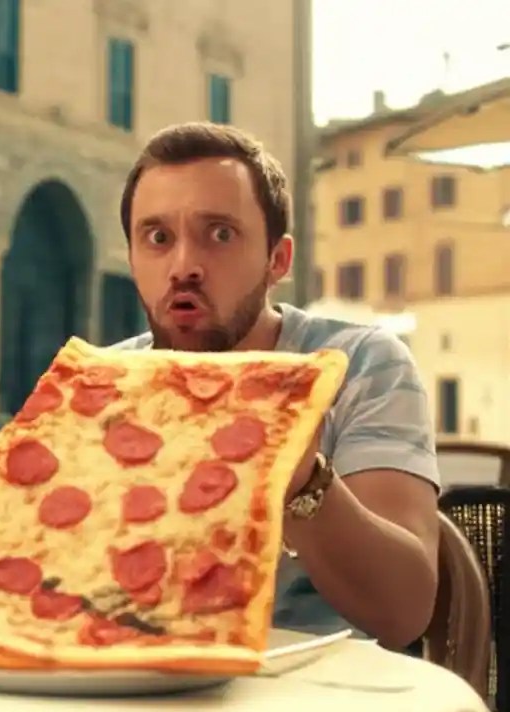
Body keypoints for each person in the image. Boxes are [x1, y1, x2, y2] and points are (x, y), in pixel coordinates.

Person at [111, 122, 440, 649]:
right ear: (131, 259)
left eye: (220, 234)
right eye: (157, 238)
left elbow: (403, 611)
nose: (184, 266)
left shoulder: (361, 364)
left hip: (316, 690)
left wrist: (300, 475)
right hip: (125, 684)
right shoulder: (102, 384)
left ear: (277, 261)